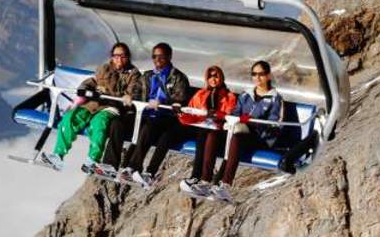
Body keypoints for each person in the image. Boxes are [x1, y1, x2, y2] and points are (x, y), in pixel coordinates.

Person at [37, 42, 142, 173]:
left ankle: (93, 160)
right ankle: (58, 155)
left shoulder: (133, 74)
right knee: (70, 118)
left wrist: (127, 96)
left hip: (111, 106)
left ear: (128, 57)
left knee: (99, 124)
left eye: (123, 56)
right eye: (116, 56)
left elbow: (134, 90)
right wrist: (84, 90)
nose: (119, 59)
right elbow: (92, 81)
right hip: (93, 104)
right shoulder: (105, 68)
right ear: (112, 57)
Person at [204, 60, 284, 201]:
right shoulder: (246, 95)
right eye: (254, 74)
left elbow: (274, 123)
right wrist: (235, 119)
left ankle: (225, 185)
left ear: (268, 76)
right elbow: (235, 113)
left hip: (261, 137)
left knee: (236, 138)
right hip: (241, 131)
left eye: (261, 74)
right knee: (214, 133)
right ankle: (205, 180)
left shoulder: (275, 98)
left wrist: (252, 121)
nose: (257, 78)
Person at [120, 42, 191, 186]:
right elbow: (136, 91)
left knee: (149, 126)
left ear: (169, 57)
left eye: (161, 56)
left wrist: (163, 102)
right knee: (129, 122)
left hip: (167, 117)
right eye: (154, 56)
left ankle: (135, 166)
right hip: (148, 114)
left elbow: (181, 98)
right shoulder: (147, 76)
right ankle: (121, 165)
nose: (157, 60)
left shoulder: (178, 77)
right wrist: (129, 96)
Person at [176, 65, 237, 197]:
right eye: (210, 76)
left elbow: (229, 114)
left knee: (210, 134)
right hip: (203, 127)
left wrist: (216, 115)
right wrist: (182, 114)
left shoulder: (228, 96)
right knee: (202, 133)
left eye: (216, 76)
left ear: (221, 77)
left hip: (219, 130)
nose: (213, 79)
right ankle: (196, 176)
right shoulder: (201, 94)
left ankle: (205, 178)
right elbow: (191, 114)